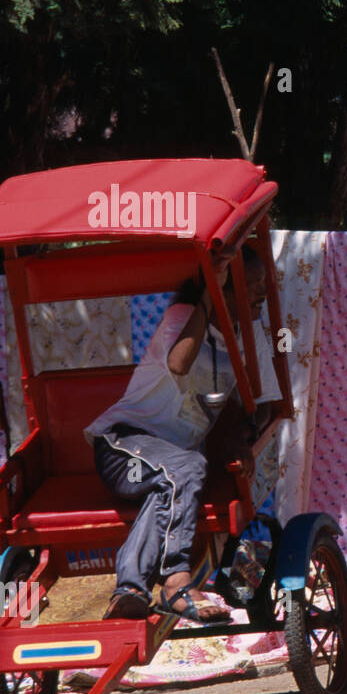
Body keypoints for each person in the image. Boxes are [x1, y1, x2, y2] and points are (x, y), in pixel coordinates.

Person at [87, 246, 281, 621]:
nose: (260, 293)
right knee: (185, 467)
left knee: (173, 480)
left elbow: (266, 404)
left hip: (169, 468)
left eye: (261, 284)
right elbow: (178, 364)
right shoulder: (183, 317)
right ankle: (176, 581)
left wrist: (245, 436)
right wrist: (210, 291)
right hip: (123, 448)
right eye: (248, 284)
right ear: (221, 287)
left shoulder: (250, 334)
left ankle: (129, 588)